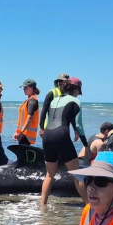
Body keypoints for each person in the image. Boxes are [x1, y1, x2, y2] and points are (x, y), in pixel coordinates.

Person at [40, 77, 90, 207]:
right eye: (79, 91)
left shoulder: (55, 100)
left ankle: (42, 205)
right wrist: (86, 145)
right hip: (61, 135)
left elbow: (54, 116)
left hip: (47, 135)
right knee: (76, 175)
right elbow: (79, 125)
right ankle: (89, 205)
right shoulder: (76, 101)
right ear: (76, 89)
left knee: (49, 175)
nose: (79, 94)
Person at [13, 78, 41, 146]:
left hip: (26, 135)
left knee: (24, 155)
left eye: (25, 88)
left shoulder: (32, 100)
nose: (24, 90)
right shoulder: (29, 100)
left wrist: (21, 132)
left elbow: (29, 117)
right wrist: (17, 132)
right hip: (24, 134)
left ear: (31, 88)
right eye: (23, 88)